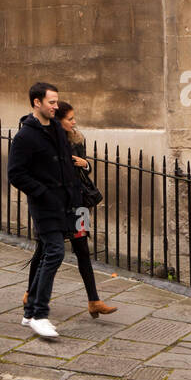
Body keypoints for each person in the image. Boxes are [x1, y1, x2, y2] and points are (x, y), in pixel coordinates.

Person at [7, 82, 81, 339]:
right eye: (51, 102)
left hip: (63, 205)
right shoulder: (25, 136)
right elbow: (15, 173)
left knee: (51, 253)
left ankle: (29, 313)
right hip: (44, 206)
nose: (56, 106)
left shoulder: (58, 132)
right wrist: (43, 193)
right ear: (36, 103)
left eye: (56, 101)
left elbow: (65, 167)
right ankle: (40, 314)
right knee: (55, 253)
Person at [50, 102, 117, 318]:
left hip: (79, 205)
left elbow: (85, 169)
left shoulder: (77, 139)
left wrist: (84, 164)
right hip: (59, 204)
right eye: (70, 118)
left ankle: (94, 300)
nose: (74, 121)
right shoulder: (49, 141)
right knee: (46, 250)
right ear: (59, 121)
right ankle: (31, 294)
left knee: (83, 251)